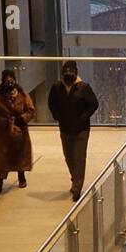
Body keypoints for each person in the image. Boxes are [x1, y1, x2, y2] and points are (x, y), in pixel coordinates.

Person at [48, 60, 99, 201]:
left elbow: (94, 104)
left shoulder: (83, 87)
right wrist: (57, 116)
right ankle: (75, 179)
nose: (68, 74)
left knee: (79, 157)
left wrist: (83, 117)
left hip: (81, 129)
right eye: (66, 72)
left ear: (75, 73)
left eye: (71, 72)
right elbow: (51, 103)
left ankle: (77, 187)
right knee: (69, 156)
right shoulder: (57, 88)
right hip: (65, 128)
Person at [0, 69, 35, 194]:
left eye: (11, 79)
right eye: (7, 79)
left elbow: (31, 110)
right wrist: (3, 121)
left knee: (20, 155)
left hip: (20, 130)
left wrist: (22, 119)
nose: (9, 82)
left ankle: (22, 177)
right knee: (1, 158)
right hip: (3, 132)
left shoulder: (23, 95)